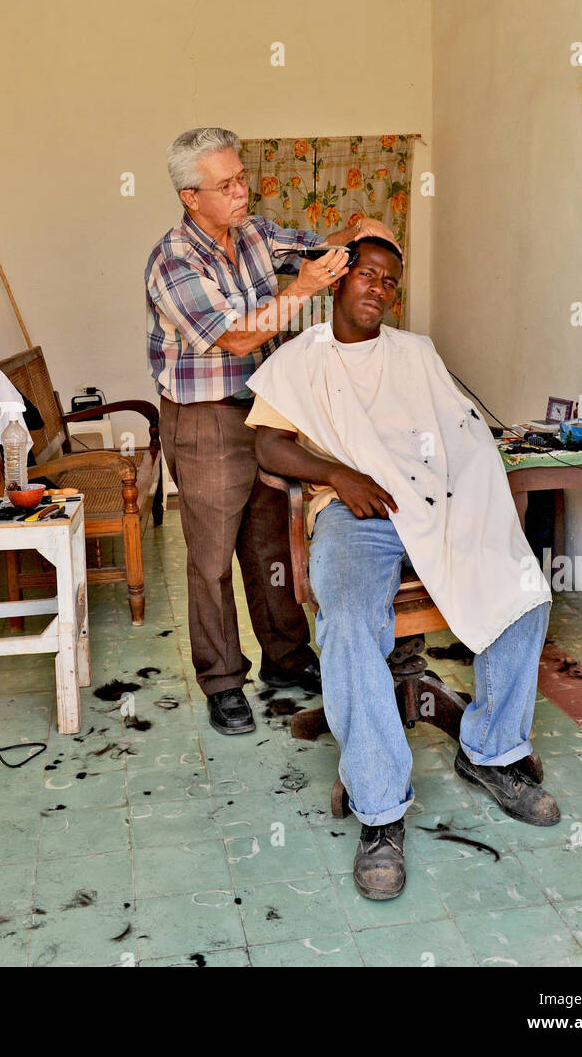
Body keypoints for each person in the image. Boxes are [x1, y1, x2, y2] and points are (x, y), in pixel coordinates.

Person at [247, 236, 561, 899]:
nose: (378, 290)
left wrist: (469, 493)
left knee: (523, 591)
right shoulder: (301, 360)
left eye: (390, 282)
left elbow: (459, 435)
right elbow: (269, 446)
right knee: (352, 621)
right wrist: (337, 472)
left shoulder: (415, 354)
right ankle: (380, 811)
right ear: (339, 281)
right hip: (355, 516)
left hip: (434, 506)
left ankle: (491, 753)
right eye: (367, 275)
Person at [145, 127, 400, 736]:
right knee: (211, 557)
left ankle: (286, 658)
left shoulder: (255, 233)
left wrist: (359, 236)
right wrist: (304, 290)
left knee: (269, 544)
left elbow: (319, 248)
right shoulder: (174, 261)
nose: (241, 190)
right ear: (190, 196)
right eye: (225, 184)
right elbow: (236, 336)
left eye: (241, 177)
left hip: (265, 410)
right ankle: (223, 680)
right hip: (205, 418)